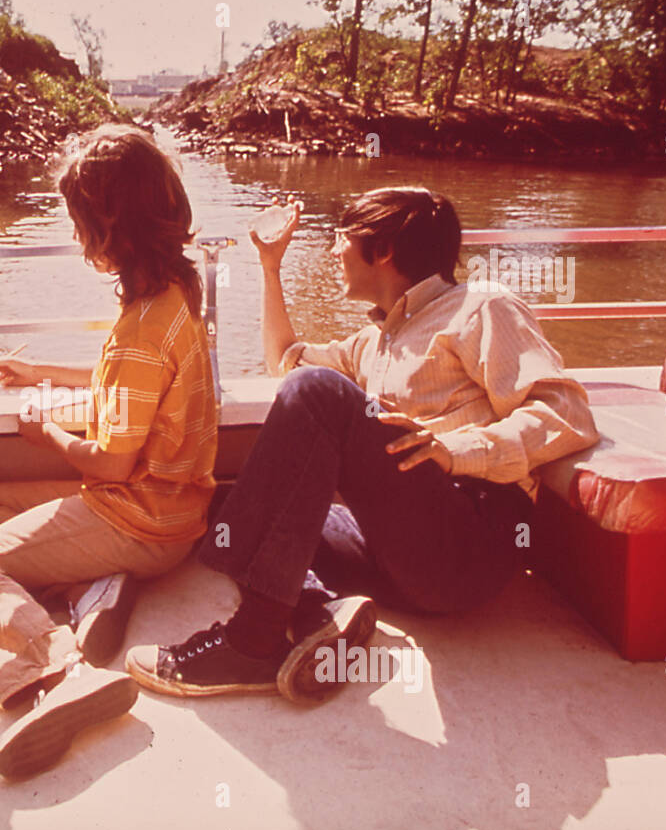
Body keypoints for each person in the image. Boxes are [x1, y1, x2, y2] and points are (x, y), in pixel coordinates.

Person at [125, 187, 600, 702]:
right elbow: (286, 360)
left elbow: (566, 411)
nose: (332, 251)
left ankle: (252, 640)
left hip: (470, 542)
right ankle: (321, 615)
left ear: (385, 249)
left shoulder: (480, 308)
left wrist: (453, 447)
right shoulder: (377, 340)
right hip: (399, 557)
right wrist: (270, 267)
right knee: (223, 503)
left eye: (341, 238)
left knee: (317, 392)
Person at [0, 125, 219, 779]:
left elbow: (110, 461)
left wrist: (49, 434)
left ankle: (65, 669)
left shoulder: (139, 330)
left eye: (77, 219)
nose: (73, 233)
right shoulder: (178, 294)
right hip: (177, 513)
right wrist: (43, 372)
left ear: (105, 225)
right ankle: (98, 590)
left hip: (135, 516)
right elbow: (126, 385)